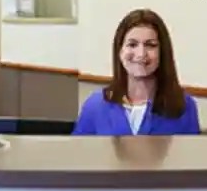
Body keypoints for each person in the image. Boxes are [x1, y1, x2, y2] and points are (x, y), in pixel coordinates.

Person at [72, 9, 200, 136]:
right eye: (132, 45)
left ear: (163, 52)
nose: (141, 54)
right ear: (120, 50)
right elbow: (77, 154)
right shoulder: (95, 106)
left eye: (150, 45)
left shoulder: (184, 106)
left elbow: (190, 156)